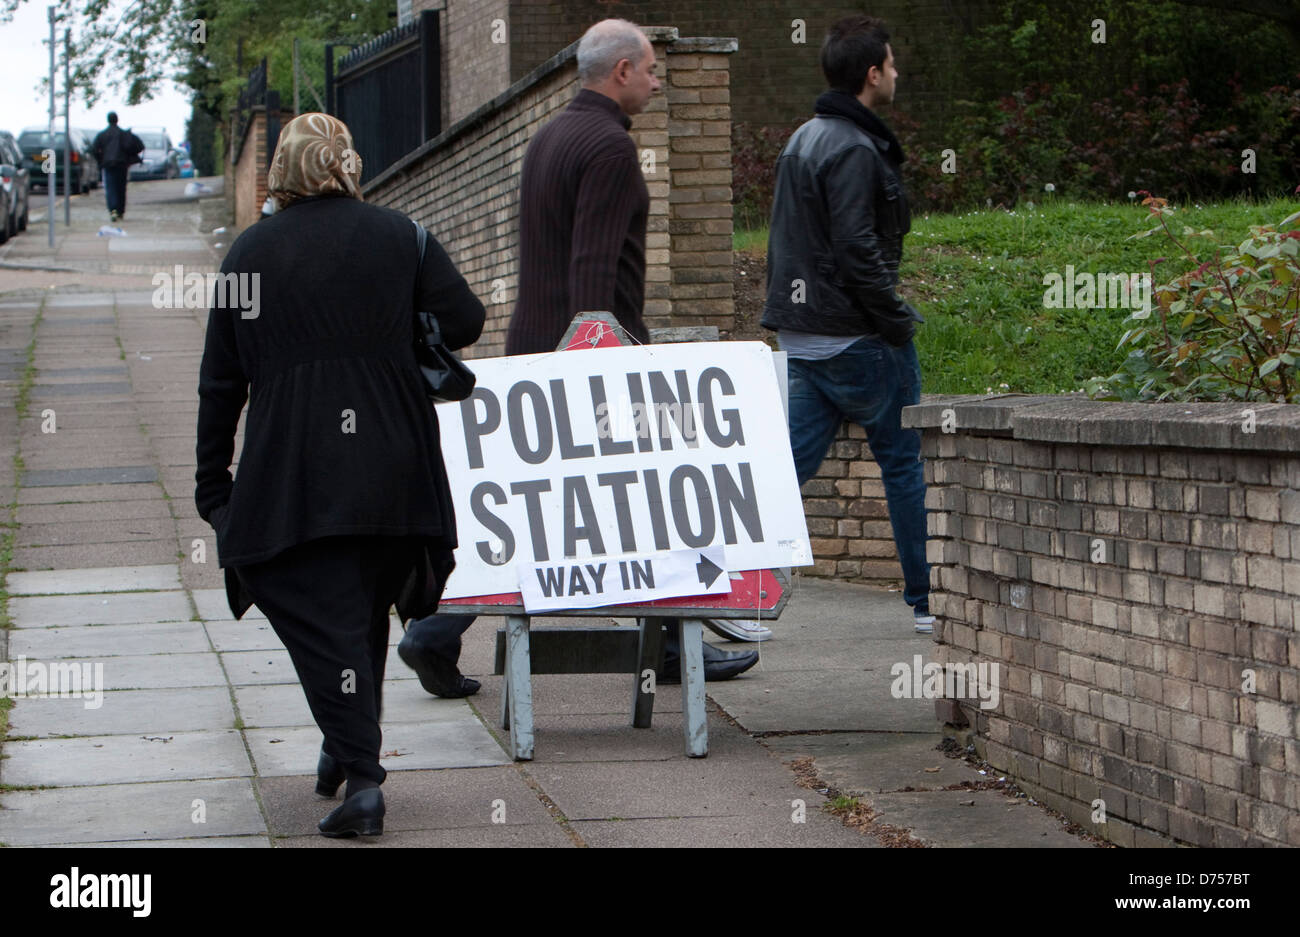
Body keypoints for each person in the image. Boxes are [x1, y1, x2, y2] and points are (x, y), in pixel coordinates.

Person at [398, 19, 759, 698]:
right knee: (645, 502)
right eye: (652, 69)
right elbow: (593, 270)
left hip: (535, 350)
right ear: (620, 70)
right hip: (587, 360)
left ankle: (434, 632)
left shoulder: (551, 137)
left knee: (541, 515)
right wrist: (601, 366)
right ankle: (677, 651)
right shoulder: (609, 149)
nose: (659, 80)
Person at [195, 112, 485, 838]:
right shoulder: (401, 236)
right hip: (396, 457)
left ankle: (364, 782)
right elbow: (467, 319)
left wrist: (213, 482)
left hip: (295, 464)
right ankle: (342, 744)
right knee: (357, 606)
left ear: (283, 171)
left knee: (313, 601)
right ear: (347, 164)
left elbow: (220, 382)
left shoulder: (249, 256)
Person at [761, 15, 933, 634]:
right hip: (859, 337)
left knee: (783, 474)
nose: (896, 73)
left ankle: (739, 600)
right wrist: (894, 321)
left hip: (803, 339)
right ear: (871, 74)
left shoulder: (803, 137)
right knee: (904, 464)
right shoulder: (857, 148)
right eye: (890, 64)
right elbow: (859, 249)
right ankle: (927, 603)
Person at [91, 112, 143, 223]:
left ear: (108, 120)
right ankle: (120, 210)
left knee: (110, 187)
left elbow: (94, 149)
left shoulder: (102, 135)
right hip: (122, 163)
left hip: (108, 164)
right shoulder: (124, 134)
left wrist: (101, 160)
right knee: (121, 188)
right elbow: (139, 146)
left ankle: (113, 209)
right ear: (117, 120)